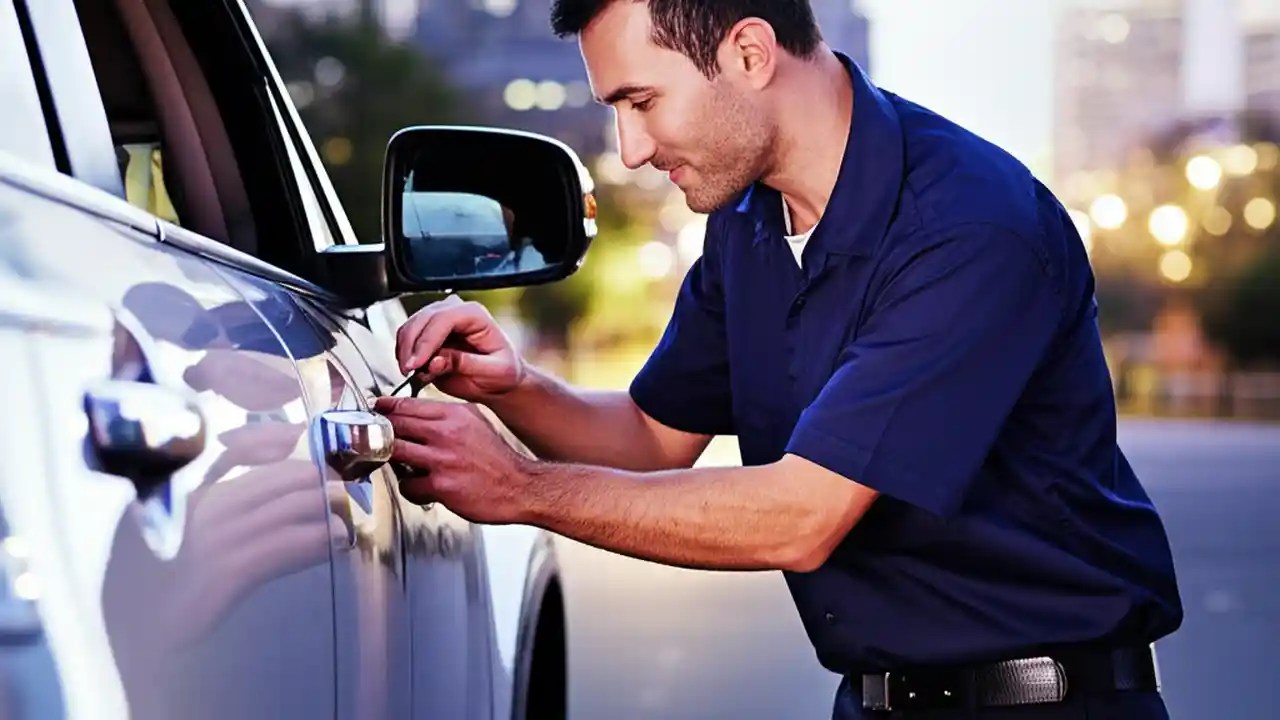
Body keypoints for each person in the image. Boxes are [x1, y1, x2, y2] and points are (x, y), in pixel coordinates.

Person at [373, 1, 1183, 717]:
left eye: (642, 101)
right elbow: (651, 438)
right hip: (875, 698)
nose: (629, 149)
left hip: (1048, 705)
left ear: (749, 54)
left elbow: (801, 517)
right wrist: (513, 388)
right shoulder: (748, 224)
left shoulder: (971, 227)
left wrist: (519, 490)